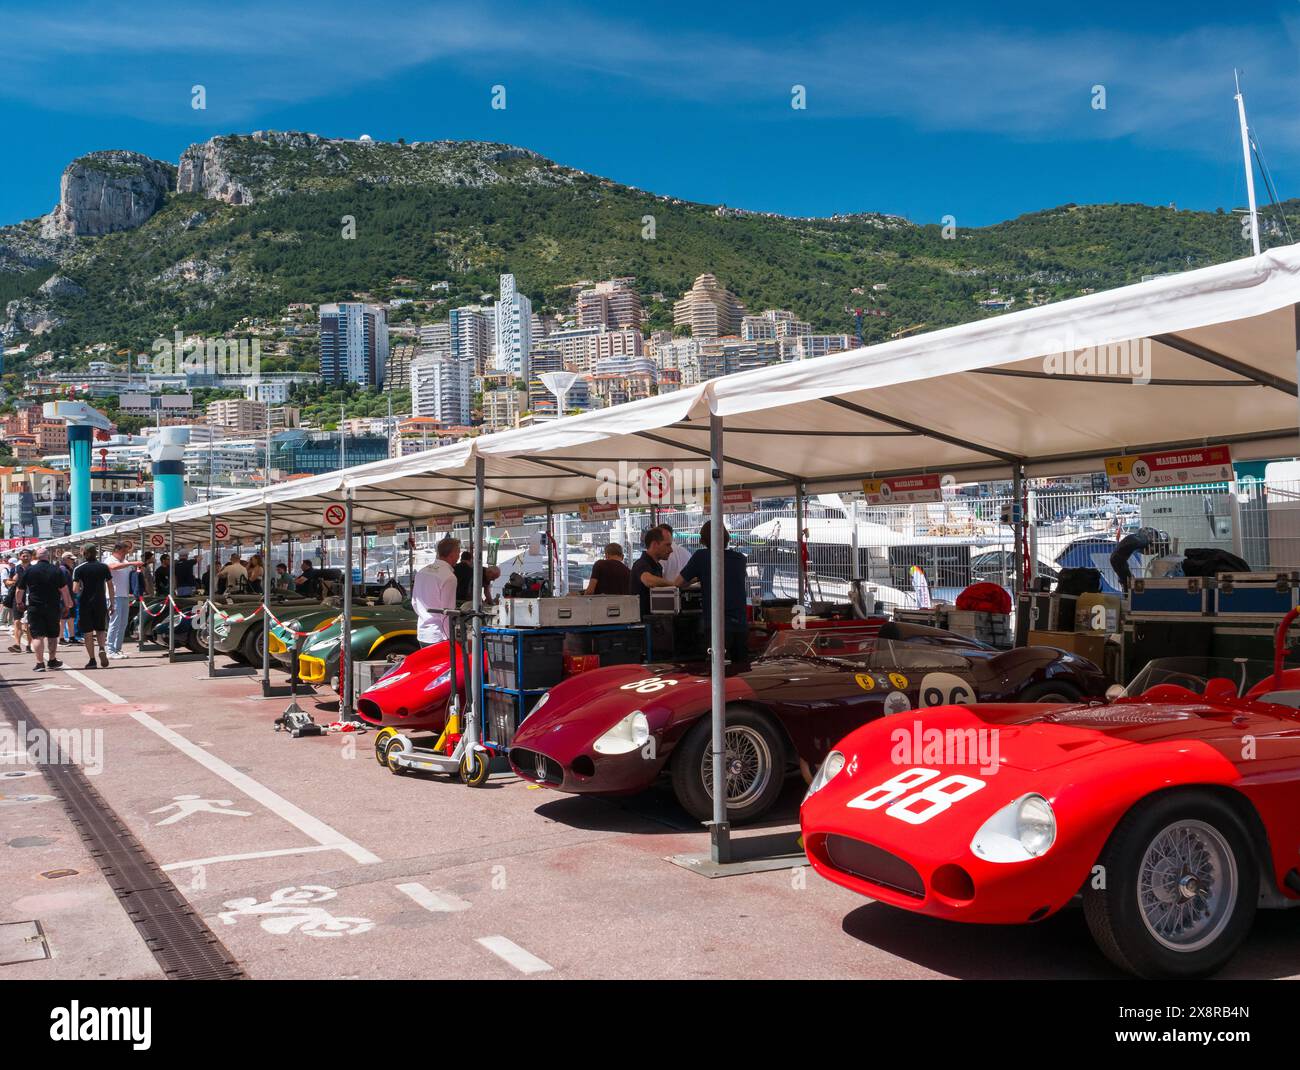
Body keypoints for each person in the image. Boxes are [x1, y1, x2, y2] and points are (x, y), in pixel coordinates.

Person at [675, 521, 751, 664]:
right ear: (726, 537)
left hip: (717, 625)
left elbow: (678, 583)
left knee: (717, 669)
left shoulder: (701, 556)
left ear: (703, 539)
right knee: (741, 669)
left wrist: (697, 577)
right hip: (740, 623)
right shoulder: (740, 559)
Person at [16, 547, 73, 672]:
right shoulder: (56, 570)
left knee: (37, 636)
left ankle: (40, 663)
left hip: (35, 607)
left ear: (36, 556)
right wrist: (67, 605)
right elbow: (64, 590)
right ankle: (52, 660)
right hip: (53, 607)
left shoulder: (29, 570)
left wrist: (19, 602)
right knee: (52, 635)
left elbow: (20, 589)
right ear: (47, 556)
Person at [412, 537, 460, 646]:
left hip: (422, 632)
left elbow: (414, 602)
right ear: (452, 554)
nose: (459, 556)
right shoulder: (449, 577)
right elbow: (447, 612)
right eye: (458, 552)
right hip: (439, 635)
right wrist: (450, 639)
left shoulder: (421, 572)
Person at [72, 543, 112, 669]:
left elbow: (75, 589)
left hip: (85, 603)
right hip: (100, 601)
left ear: (85, 553)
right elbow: (110, 586)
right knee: (100, 629)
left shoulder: (79, 569)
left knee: (88, 633)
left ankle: (92, 659)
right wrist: (112, 602)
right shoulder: (104, 567)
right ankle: (101, 648)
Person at [631, 526, 676, 617]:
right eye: (667, 545)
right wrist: (675, 584)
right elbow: (648, 580)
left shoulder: (658, 566)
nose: (671, 550)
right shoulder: (641, 564)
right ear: (655, 544)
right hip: (643, 625)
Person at [1109, 526, 1169, 593]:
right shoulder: (1138, 541)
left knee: (1125, 578)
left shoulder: (1136, 540)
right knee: (1125, 578)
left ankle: (1127, 591)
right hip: (1118, 558)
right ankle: (1127, 591)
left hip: (1118, 558)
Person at [104, 541, 136, 658]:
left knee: (123, 623)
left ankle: (117, 648)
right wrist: (131, 563)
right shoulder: (109, 560)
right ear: (117, 551)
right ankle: (110, 650)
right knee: (114, 623)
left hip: (124, 595)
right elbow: (113, 567)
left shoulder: (125, 562)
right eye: (124, 552)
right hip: (114, 596)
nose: (125, 554)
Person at [6, 548, 32, 654]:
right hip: (17, 598)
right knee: (17, 622)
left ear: (31, 557)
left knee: (29, 624)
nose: (25, 557)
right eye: (23, 555)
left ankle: (29, 645)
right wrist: (13, 581)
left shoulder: (33, 569)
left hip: (30, 598)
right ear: (20, 557)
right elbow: (7, 582)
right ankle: (17, 645)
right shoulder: (15, 569)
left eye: (27, 555)